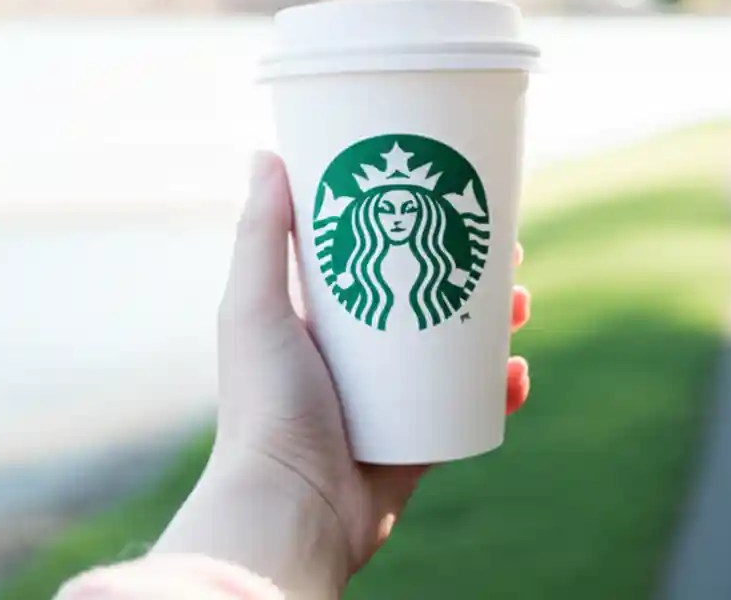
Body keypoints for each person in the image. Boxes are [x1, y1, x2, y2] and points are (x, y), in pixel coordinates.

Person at [56, 152, 533, 599]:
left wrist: (290, 479)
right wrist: (291, 473)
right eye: (385, 208)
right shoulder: (366, 272)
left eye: (409, 207)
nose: (397, 218)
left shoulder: (434, 269)